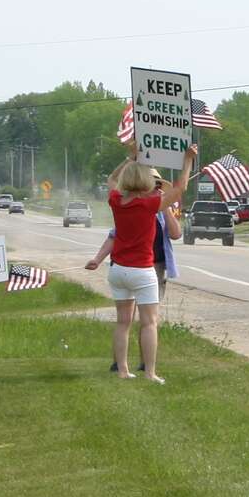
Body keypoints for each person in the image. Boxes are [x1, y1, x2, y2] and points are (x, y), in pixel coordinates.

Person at [97, 144, 194, 382]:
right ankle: (150, 372)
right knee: (149, 323)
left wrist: (130, 158)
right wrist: (188, 160)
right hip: (142, 269)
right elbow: (181, 188)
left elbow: (111, 179)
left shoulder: (116, 201)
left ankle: (122, 370)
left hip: (118, 269)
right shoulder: (149, 205)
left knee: (123, 322)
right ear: (146, 182)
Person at [87, 168, 182, 372]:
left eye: (158, 186)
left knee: (145, 319)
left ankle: (141, 362)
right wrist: (98, 259)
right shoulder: (139, 207)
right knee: (136, 320)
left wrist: (164, 207)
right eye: (153, 184)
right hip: (140, 268)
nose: (156, 189)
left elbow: (176, 234)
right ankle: (128, 365)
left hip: (154, 266)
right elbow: (114, 237)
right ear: (144, 185)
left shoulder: (155, 208)